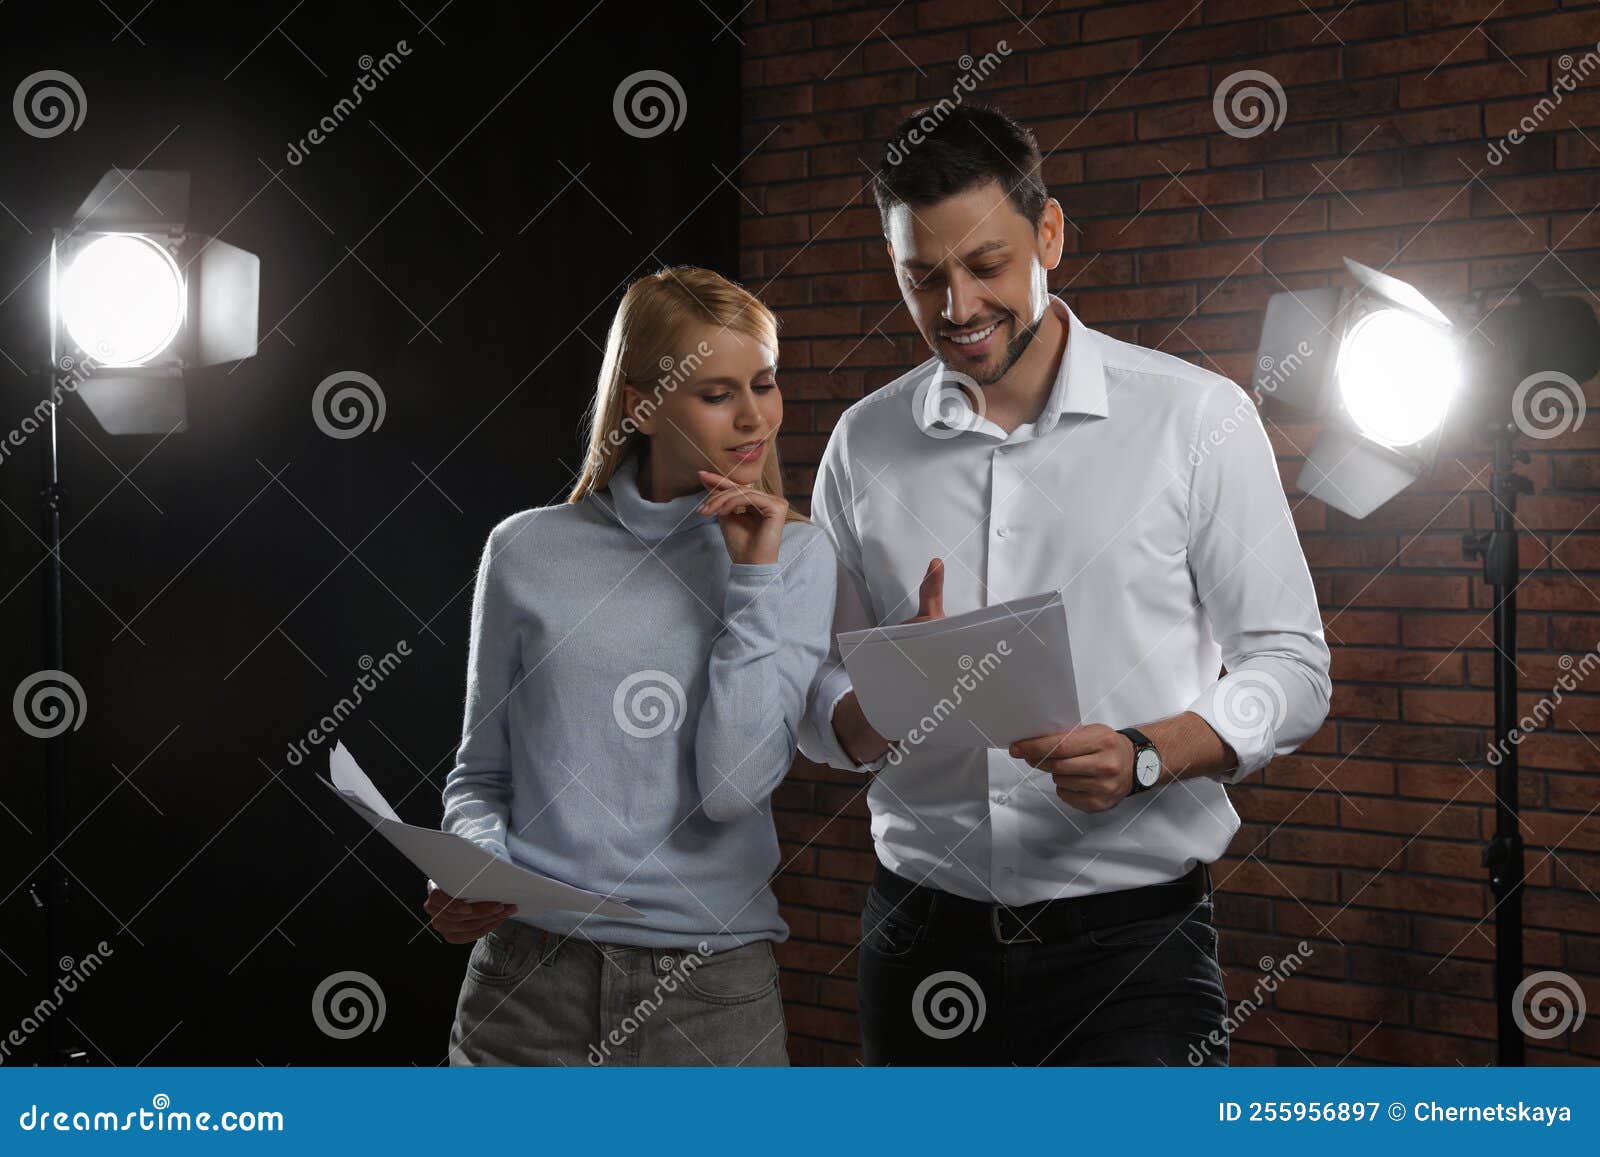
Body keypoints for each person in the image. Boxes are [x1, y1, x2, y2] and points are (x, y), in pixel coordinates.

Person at [796, 103, 1332, 1066]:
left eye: (986, 265)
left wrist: (1149, 754)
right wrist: (891, 694)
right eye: (923, 277)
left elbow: (1290, 664)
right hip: (919, 944)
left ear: (1049, 234)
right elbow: (819, 692)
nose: (956, 308)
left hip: (1134, 959)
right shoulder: (860, 444)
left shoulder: (1197, 419)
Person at [429, 265, 836, 1066]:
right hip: (524, 984)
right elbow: (479, 777)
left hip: (710, 997)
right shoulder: (525, 549)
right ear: (643, 406)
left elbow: (733, 788)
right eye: (718, 393)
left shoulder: (799, 556)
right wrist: (472, 866)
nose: (755, 417)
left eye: (764, 383)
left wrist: (752, 580)